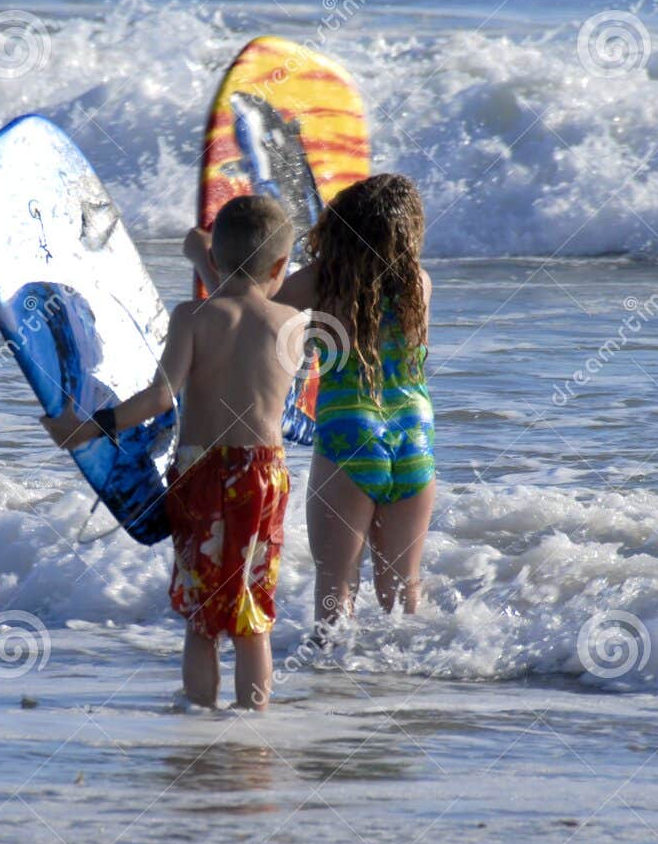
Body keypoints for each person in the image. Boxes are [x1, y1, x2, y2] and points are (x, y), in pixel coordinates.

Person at [43, 195, 297, 710]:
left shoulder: (192, 317)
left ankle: (199, 717)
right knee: (251, 612)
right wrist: (207, 261)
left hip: (202, 472)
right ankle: (253, 724)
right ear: (280, 266)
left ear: (218, 262)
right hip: (264, 476)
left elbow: (161, 397)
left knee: (204, 618)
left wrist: (86, 430)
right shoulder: (293, 320)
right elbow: (249, 298)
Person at [191, 173, 435, 630]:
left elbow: (246, 302)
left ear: (341, 226)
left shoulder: (326, 280)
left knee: (337, 583)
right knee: (402, 591)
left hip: (351, 431)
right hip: (414, 435)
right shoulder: (419, 284)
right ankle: (406, 679)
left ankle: (328, 678)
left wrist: (202, 258)